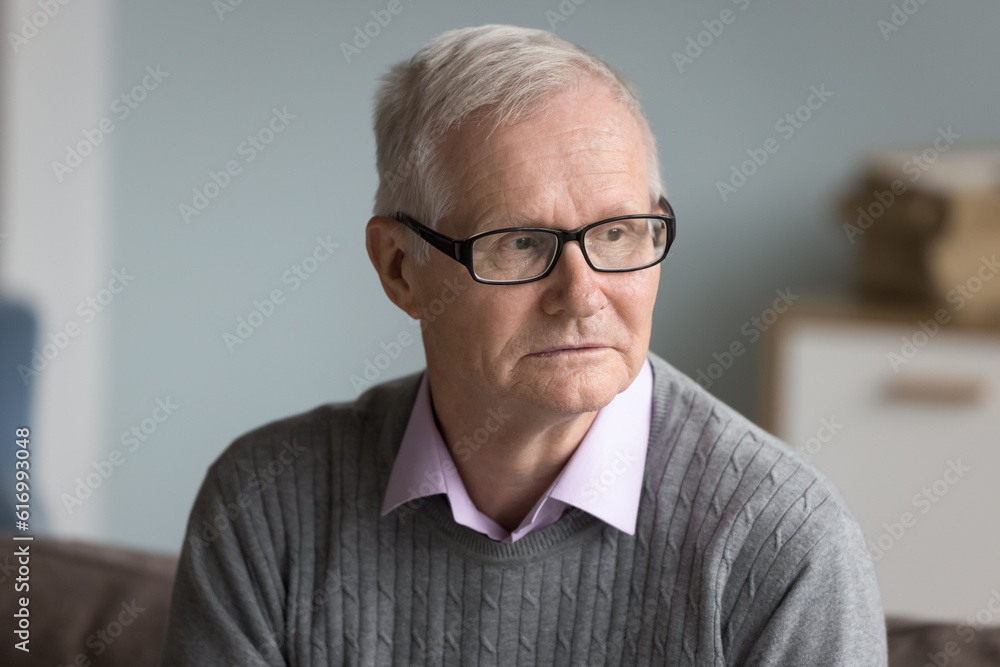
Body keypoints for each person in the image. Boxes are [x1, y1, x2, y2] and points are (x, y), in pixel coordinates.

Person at [161, 24, 888, 666]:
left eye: (616, 232)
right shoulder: (263, 508)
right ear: (398, 267)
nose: (581, 293)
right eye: (519, 242)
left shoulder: (784, 547)